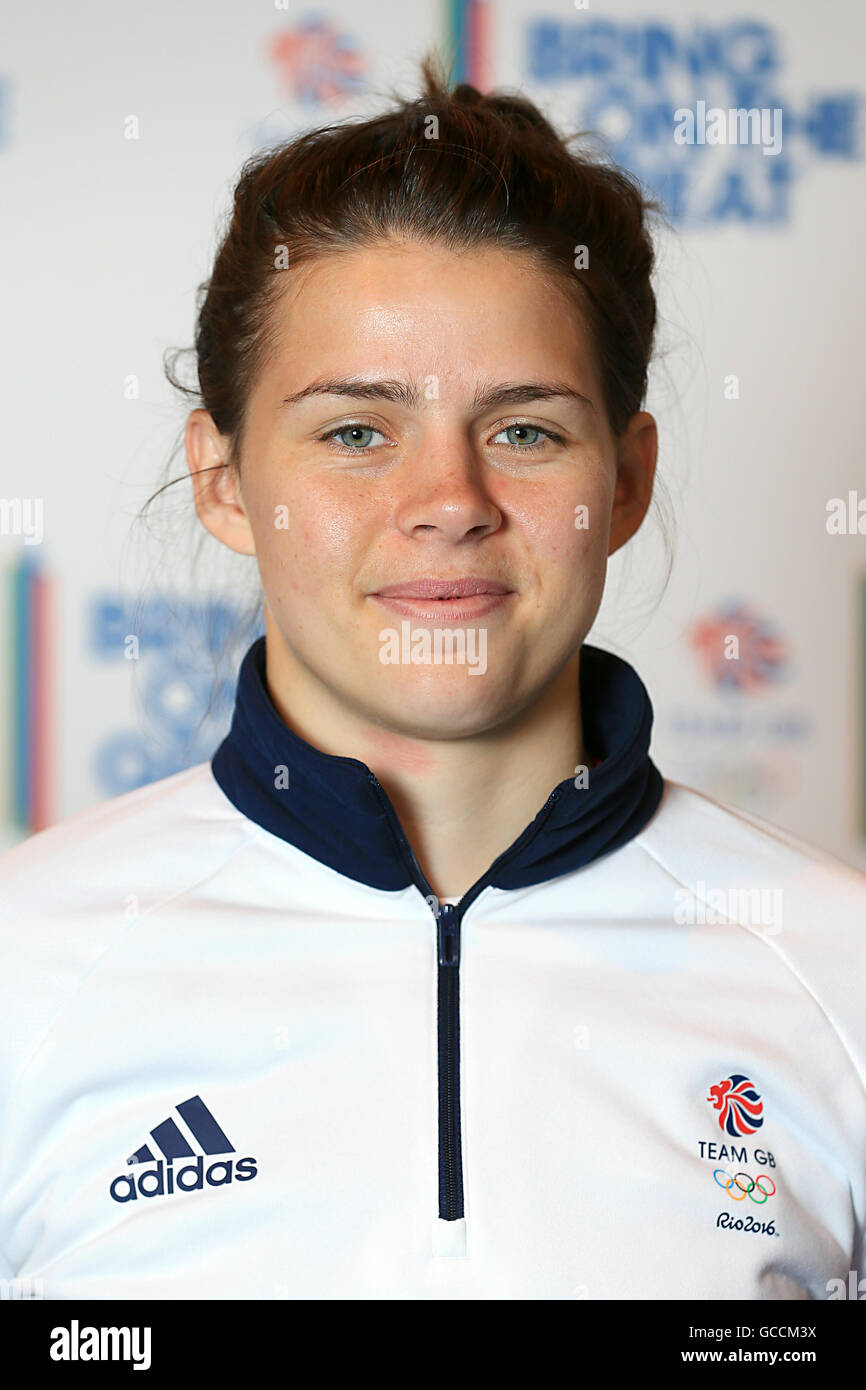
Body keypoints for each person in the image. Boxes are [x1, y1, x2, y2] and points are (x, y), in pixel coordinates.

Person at [1, 53, 865, 1302]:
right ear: (225, 480)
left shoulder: (834, 968)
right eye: (356, 431)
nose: (448, 504)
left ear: (620, 480)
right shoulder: (28, 965)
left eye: (523, 429)